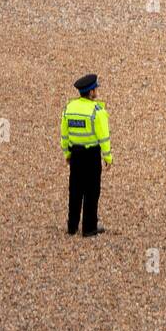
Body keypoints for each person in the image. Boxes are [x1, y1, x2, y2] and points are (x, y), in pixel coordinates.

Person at [60, 73, 112, 237]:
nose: (97, 91)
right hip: (91, 155)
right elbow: (104, 136)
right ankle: (89, 227)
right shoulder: (97, 111)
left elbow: (64, 134)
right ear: (91, 92)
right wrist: (108, 157)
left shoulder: (69, 108)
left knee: (75, 189)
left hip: (75, 153)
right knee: (92, 190)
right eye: (95, 89)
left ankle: (72, 226)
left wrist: (67, 153)